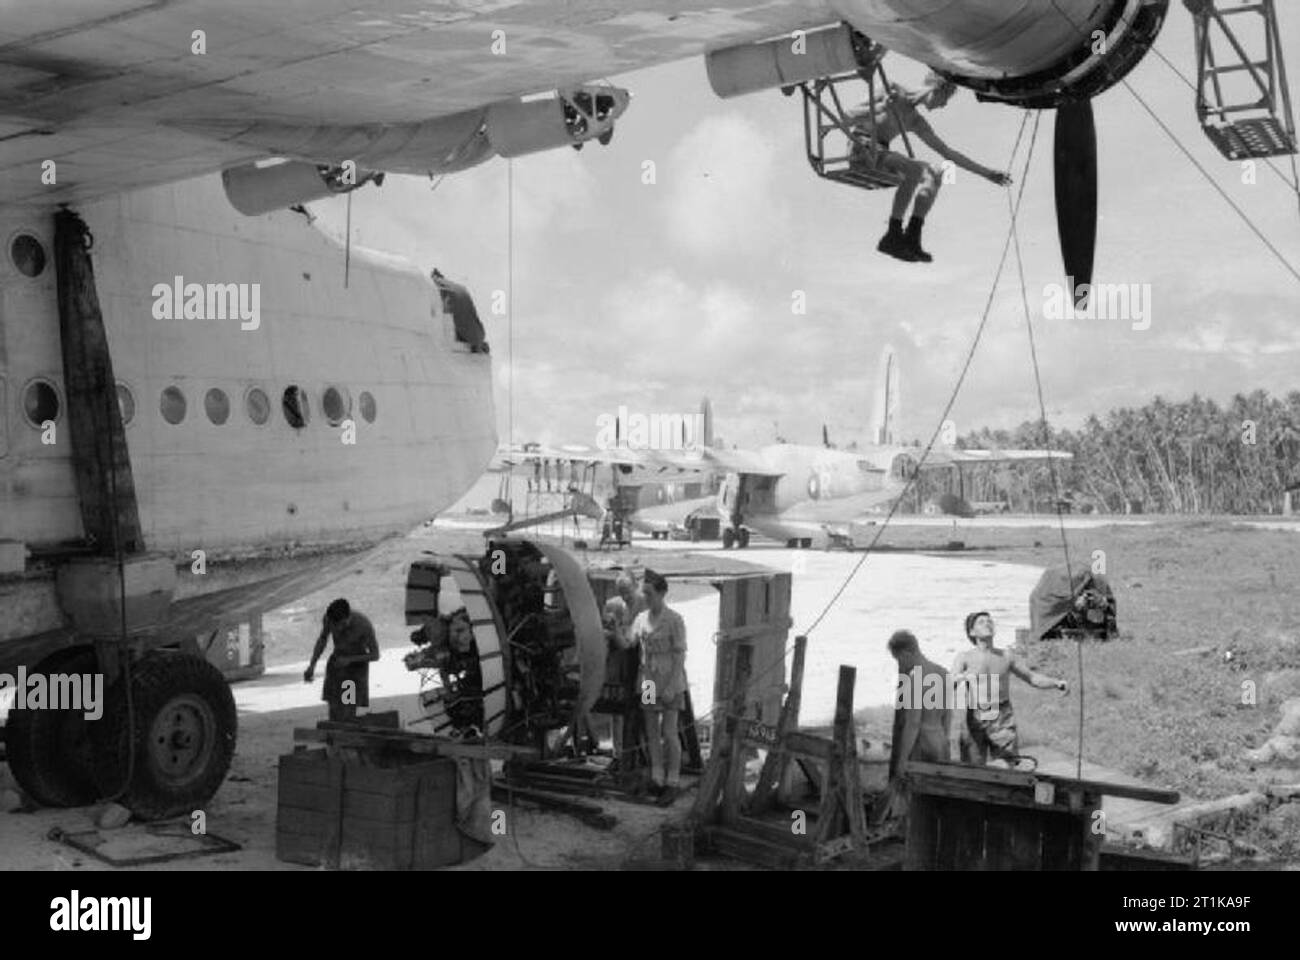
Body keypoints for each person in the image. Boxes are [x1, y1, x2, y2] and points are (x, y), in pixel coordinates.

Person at [843, 70, 1012, 263]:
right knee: (914, 170)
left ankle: (912, 237)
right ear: (938, 89)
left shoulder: (915, 120)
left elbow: (948, 153)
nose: (943, 105)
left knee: (937, 172)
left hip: (882, 155)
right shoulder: (891, 89)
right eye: (946, 98)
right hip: (861, 149)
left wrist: (987, 173)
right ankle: (893, 233)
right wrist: (881, 107)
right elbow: (846, 117)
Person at [950, 611, 1068, 767]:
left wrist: (1056, 683)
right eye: (981, 622)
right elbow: (951, 679)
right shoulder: (964, 657)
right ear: (972, 632)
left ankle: (999, 779)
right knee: (973, 767)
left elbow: (1031, 677)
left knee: (1008, 764)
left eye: (989, 621)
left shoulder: (1006, 656)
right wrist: (962, 677)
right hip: (974, 715)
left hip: (1001, 715)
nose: (987, 623)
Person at [631, 569, 688, 805]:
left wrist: (671, 685)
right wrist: (612, 631)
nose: (646, 597)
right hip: (649, 681)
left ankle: (673, 780)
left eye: (650, 593)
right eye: (643, 593)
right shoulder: (641, 619)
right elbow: (630, 641)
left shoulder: (674, 620)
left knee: (669, 733)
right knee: (652, 732)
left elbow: (679, 655)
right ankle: (657, 777)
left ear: (662, 593)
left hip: (669, 680)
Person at [304, 598, 380, 722]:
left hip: (353, 671)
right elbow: (322, 640)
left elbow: (375, 655)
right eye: (335, 626)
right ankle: (335, 735)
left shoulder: (363, 625)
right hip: (336, 666)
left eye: (342, 624)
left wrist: (350, 660)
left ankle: (346, 735)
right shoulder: (328, 619)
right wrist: (312, 665)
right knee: (333, 706)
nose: (339, 629)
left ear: (349, 616)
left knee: (347, 709)